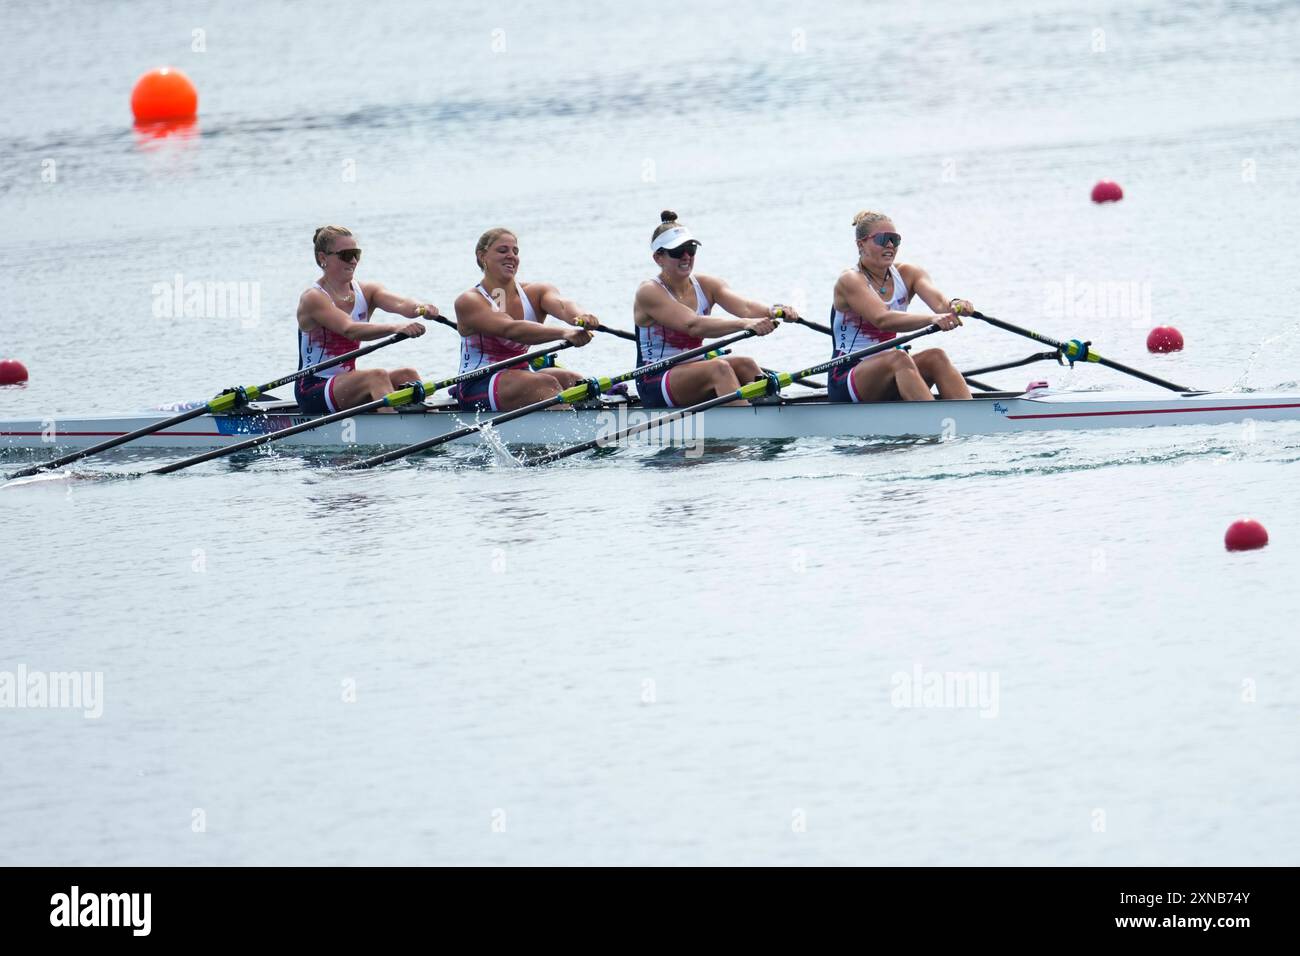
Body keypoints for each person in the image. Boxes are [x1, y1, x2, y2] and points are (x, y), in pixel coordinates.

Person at [632, 211, 796, 407]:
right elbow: (693, 325)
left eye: (691, 249)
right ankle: (748, 429)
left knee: (746, 364)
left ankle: (772, 415)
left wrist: (773, 310)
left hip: (695, 368)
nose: (686, 256)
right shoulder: (649, 292)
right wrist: (746, 324)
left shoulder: (707, 284)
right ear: (658, 258)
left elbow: (745, 307)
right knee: (719, 368)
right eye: (677, 251)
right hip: (655, 379)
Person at [828, 211, 974, 403]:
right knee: (900, 358)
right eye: (882, 239)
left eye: (894, 240)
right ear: (861, 244)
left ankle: (969, 416)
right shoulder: (850, 280)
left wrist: (955, 305)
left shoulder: (909, 273)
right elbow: (882, 319)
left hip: (891, 368)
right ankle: (934, 421)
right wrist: (931, 319)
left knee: (936, 357)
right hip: (848, 375)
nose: (889, 245)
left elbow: (941, 305)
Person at [450, 227, 600, 412]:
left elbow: (562, 304)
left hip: (520, 375)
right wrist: (564, 332)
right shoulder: (469, 301)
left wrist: (581, 317)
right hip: (478, 384)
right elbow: (511, 330)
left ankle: (582, 424)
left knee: (575, 381)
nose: (511, 256)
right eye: (502, 250)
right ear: (482, 256)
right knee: (545, 384)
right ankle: (568, 432)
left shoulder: (536, 292)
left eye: (515, 251)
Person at [295, 225, 439, 413]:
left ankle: (436, 426)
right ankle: (395, 435)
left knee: (407, 375)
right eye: (346, 255)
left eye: (356, 254)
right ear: (323, 258)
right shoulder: (313, 298)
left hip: (347, 385)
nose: (354, 261)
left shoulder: (367, 291)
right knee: (376, 376)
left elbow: (401, 303)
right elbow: (349, 329)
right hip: (313, 389)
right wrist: (395, 327)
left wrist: (421, 308)